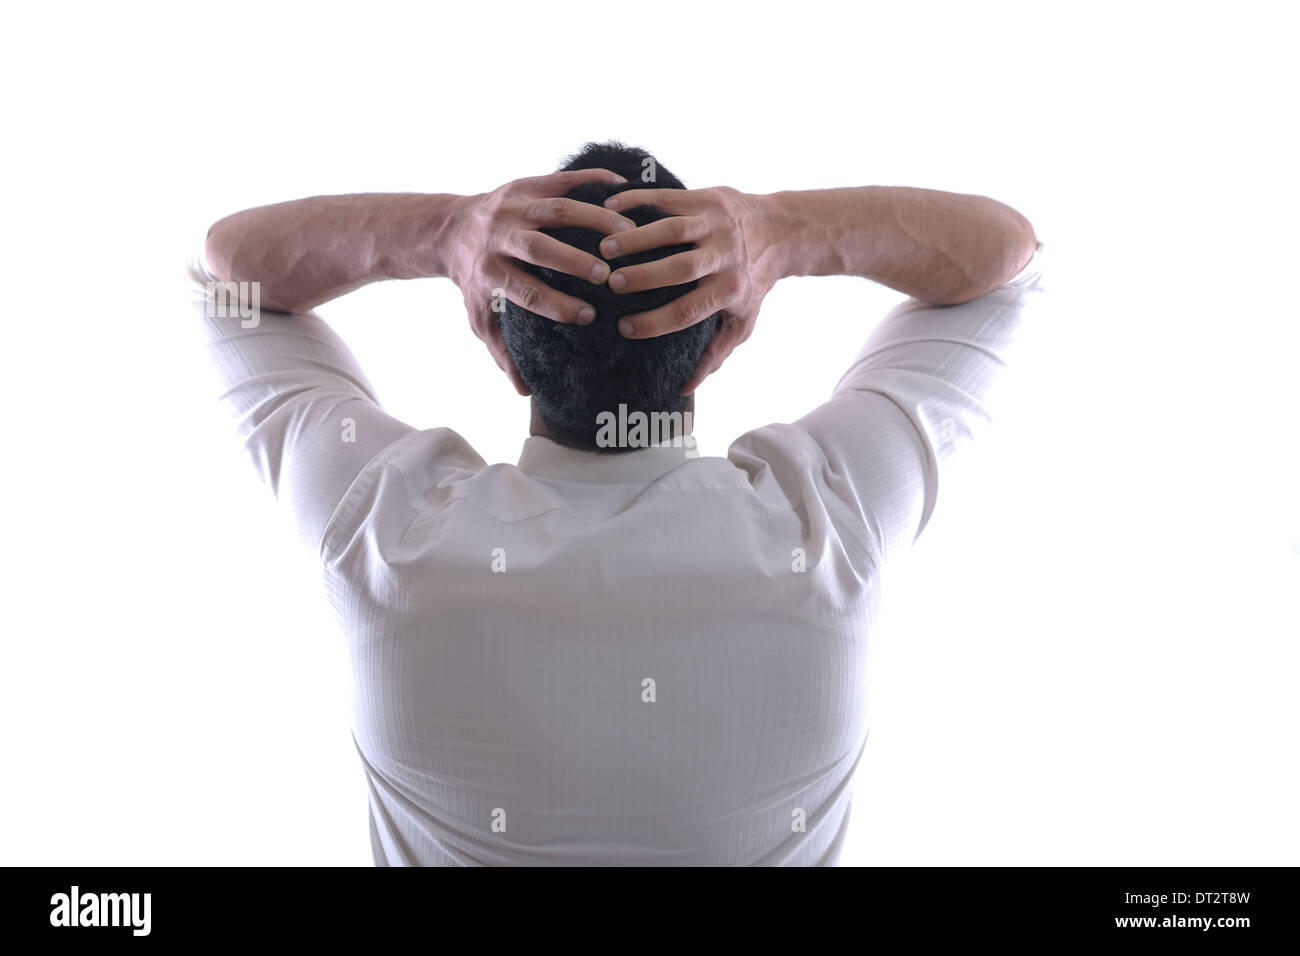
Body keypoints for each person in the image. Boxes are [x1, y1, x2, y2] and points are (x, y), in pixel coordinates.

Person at [188, 140, 1044, 866]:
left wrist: (445, 233)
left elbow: (221, 281)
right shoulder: (828, 530)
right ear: (717, 345)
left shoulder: (387, 539)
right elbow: (1005, 267)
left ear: (508, 356)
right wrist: (781, 232)